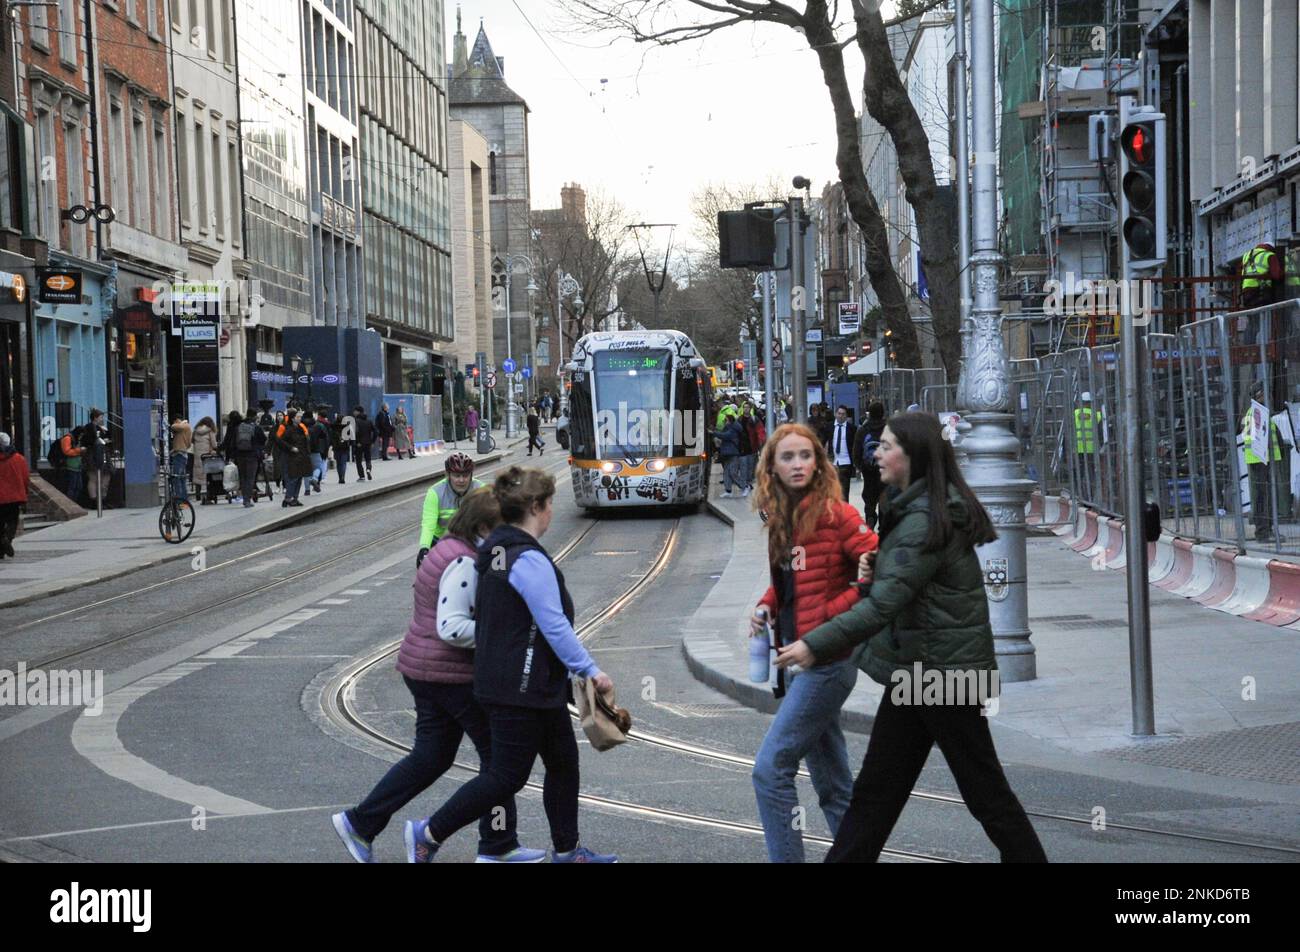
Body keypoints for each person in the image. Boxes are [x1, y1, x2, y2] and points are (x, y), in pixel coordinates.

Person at [782, 412, 1047, 863]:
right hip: (923, 671)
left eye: (886, 446)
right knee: (878, 796)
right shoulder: (916, 509)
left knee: (982, 793)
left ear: (913, 455)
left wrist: (815, 643)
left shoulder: (922, 519)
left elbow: (883, 606)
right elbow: (901, 592)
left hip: (941, 675)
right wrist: (873, 574)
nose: (876, 453)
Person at [405, 466, 618, 863]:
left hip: (524, 681)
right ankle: (429, 832)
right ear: (536, 507)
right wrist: (589, 670)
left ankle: (568, 850)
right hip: (519, 685)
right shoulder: (525, 559)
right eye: (551, 504)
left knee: (562, 762)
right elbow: (553, 623)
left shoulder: (497, 549)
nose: (554, 511)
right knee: (506, 775)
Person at [332, 489, 548, 863]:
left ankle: (361, 823)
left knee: (432, 756)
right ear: (482, 526)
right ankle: (491, 843)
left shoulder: (449, 546)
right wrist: (496, 634)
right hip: (448, 675)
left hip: (426, 669)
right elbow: (451, 627)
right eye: (500, 528)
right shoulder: (463, 561)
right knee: (499, 761)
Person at [748, 423, 878, 862]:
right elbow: (793, 581)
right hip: (802, 661)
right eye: (787, 457)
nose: (798, 464)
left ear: (819, 463)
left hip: (828, 663)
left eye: (806, 456)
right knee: (834, 788)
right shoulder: (783, 515)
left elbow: (872, 570)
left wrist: (823, 626)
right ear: (772, 468)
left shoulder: (837, 515)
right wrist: (767, 605)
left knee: (769, 771)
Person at [417, 452, 484, 567]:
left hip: (471, 540)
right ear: (448, 475)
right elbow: (428, 525)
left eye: (465, 475)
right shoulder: (435, 492)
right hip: (441, 542)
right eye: (456, 476)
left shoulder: (481, 490)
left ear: (471, 475)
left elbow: (491, 522)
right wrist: (424, 548)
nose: (461, 480)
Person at [1242, 380, 1287, 543]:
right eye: (1266, 393)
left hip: (1265, 459)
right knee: (1262, 498)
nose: (1269, 395)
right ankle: (1263, 532)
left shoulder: (1262, 412)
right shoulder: (1257, 413)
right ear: (1259, 395)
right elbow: (1260, 440)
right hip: (1260, 461)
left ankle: (1268, 530)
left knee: (1267, 497)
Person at [221, 411, 267, 508]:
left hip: (240, 456)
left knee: (243, 477)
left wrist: (233, 456)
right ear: (254, 418)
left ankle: (244, 498)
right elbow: (263, 439)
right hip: (252, 456)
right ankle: (247, 500)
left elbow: (232, 442)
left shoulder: (238, 428)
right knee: (250, 478)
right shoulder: (256, 427)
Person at [852, 402, 887, 528]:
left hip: (869, 471)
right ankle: (884, 526)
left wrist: (861, 467)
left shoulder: (863, 430)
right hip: (885, 470)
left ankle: (870, 519)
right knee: (885, 500)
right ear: (882, 413)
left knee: (869, 500)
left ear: (869, 413)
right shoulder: (888, 428)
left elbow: (856, 452)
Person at [0, 432, 29, 559]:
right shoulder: (19, 459)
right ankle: (7, 540)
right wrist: (25, 493)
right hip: (14, 497)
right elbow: (25, 478)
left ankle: (2, 545)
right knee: (12, 521)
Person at [274, 409, 312, 507]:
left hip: (302, 456)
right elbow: (280, 441)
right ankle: (288, 498)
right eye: (298, 417)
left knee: (299, 478)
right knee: (293, 478)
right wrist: (291, 448)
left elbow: (306, 441)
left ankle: (295, 498)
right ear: (292, 418)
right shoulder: (288, 429)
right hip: (291, 457)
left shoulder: (301, 427)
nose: (300, 419)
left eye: (300, 417)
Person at [1240, 241, 1284, 310]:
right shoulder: (1270, 255)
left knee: (1252, 314)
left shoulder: (1247, 255)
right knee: (1265, 313)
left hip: (1246, 289)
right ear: (1271, 249)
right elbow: (1277, 275)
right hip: (1261, 290)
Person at [826, 405, 856, 504]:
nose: (841, 416)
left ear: (846, 416)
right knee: (833, 490)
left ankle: (844, 511)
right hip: (833, 462)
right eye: (839, 413)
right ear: (835, 414)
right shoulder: (829, 427)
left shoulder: (851, 429)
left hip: (846, 462)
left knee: (844, 491)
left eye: (843, 414)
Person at [714, 411, 746, 498]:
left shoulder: (733, 429)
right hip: (727, 454)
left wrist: (714, 432)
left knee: (733, 472)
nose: (725, 421)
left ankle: (745, 487)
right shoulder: (729, 428)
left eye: (726, 420)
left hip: (734, 453)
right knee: (726, 473)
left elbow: (725, 436)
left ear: (730, 420)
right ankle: (728, 491)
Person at [307, 410, 332, 495]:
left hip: (308, 450)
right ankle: (315, 480)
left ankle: (307, 490)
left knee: (309, 469)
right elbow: (327, 438)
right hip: (319, 449)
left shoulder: (305, 427)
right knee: (319, 467)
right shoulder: (322, 425)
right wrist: (327, 448)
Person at [191, 416, 219, 493]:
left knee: (197, 475)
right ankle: (209, 493)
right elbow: (214, 444)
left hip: (197, 455)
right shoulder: (210, 431)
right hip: (207, 456)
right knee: (207, 474)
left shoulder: (196, 430)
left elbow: (192, 441)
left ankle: (198, 493)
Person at [170, 415, 193, 501]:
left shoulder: (183, 425)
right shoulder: (185, 428)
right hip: (182, 453)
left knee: (177, 479)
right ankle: (184, 500)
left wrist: (177, 423)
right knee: (182, 479)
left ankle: (180, 500)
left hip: (179, 455)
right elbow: (188, 443)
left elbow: (174, 426)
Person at [59, 426, 84, 504]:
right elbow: (66, 451)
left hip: (77, 465)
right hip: (71, 465)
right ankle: (70, 503)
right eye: (81, 435)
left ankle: (74, 502)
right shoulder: (67, 438)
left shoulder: (76, 439)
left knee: (79, 486)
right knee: (72, 486)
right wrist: (79, 450)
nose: (81, 437)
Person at [352, 406, 374, 481]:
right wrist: (372, 441)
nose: (353, 412)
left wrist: (357, 442)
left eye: (354, 411)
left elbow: (355, 433)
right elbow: (376, 432)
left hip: (359, 444)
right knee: (368, 458)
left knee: (358, 460)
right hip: (368, 443)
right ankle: (368, 469)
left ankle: (362, 476)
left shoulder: (356, 421)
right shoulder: (369, 421)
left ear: (358, 412)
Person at [332, 411, 354, 485]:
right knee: (343, 463)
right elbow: (351, 436)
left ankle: (340, 477)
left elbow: (331, 437)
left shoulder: (333, 426)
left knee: (338, 463)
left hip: (336, 447)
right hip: (345, 446)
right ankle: (343, 478)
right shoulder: (347, 426)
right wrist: (351, 444)